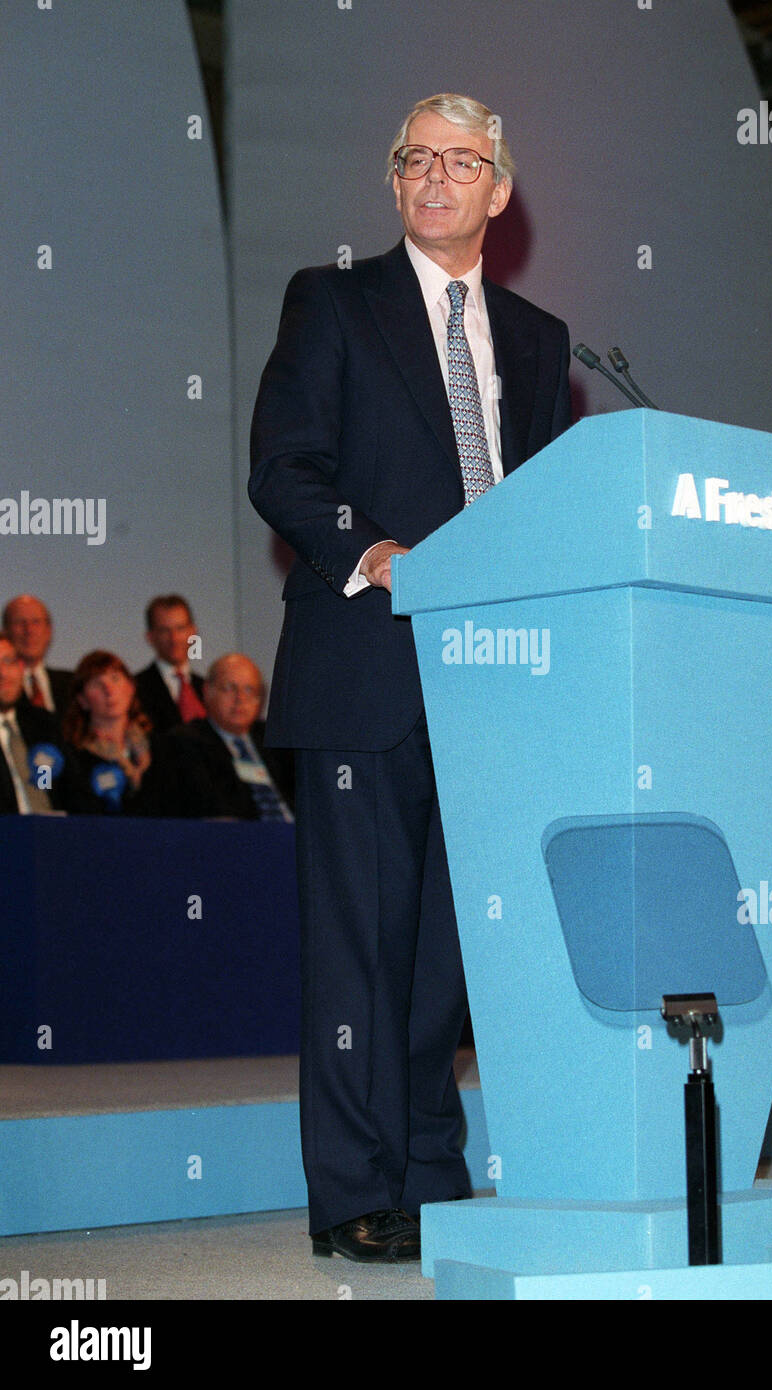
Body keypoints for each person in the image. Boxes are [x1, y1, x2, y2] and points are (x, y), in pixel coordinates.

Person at [249, 93, 571, 1263]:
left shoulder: (538, 340)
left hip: (493, 683)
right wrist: (371, 550)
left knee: (451, 949)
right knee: (360, 948)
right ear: (393, 184)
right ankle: (354, 1192)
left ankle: (428, 1172)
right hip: (365, 665)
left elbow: (540, 507)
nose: (436, 177)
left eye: (462, 161)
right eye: (415, 159)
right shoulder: (330, 301)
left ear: (498, 189)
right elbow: (283, 467)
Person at [148, 653, 294, 820]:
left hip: (294, 835)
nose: (240, 699)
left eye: (249, 689)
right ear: (207, 691)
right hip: (239, 839)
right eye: (229, 688)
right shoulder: (184, 743)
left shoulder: (277, 740)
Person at [60, 652, 156, 815]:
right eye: (97, 684)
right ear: (83, 700)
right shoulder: (73, 757)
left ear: (131, 688)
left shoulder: (158, 747)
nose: (109, 690)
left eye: (115, 678)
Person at [0, 631, 66, 814]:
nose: (2, 673)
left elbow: (71, 793)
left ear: (21, 667)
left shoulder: (44, 724)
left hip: (53, 833)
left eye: (8, 661)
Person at [134, 595, 206, 733]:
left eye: (180, 628)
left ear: (193, 632)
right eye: (164, 630)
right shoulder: (135, 690)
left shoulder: (207, 689)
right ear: (150, 637)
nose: (174, 638)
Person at [2, 595, 72, 718]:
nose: (29, 630)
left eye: (36, 621)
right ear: (5, 631)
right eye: (19, 622)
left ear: (49, 631)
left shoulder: (74, 685)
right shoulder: (4, 686)